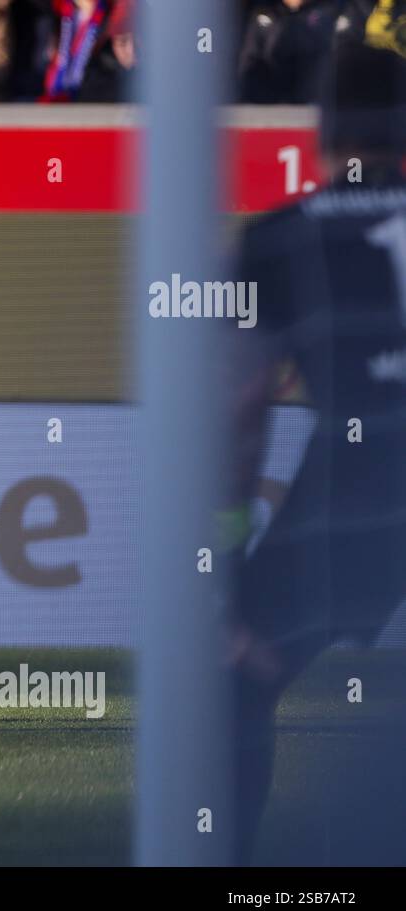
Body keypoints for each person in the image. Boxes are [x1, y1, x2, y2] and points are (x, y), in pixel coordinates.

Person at [224, 40, 406, 862]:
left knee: (238, 680)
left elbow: (241, 408)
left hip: (358, 482)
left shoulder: (279, 239)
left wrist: (225, 558)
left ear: (321, 133)